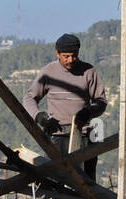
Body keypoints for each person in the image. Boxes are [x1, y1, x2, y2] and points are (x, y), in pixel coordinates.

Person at [22, 34, 108, 183]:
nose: (70, 60)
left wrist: (88, 112)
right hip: (57, 134)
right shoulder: (48, 72)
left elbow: (101, 101)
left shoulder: (89, 71)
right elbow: (29, 98)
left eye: (73, 56)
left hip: (84, 134)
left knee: (86, 182)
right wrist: (39, 116)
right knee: (58, 180)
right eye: (66, 56)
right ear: (57, 53)